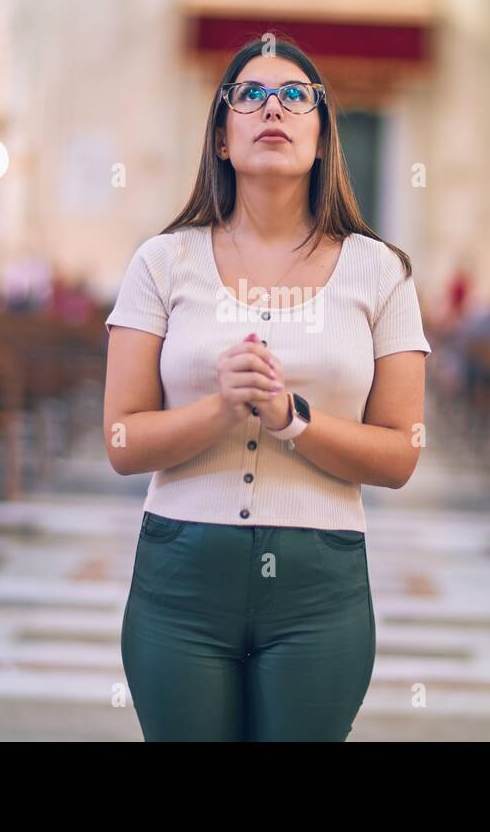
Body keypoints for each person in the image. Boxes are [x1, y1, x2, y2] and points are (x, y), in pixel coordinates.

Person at [103, 36, 431, 741]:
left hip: (319, 588)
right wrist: (220, 409)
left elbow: (402, 454)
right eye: (248, 95)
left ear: (321, 135)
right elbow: (123, 442)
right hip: (181, 579)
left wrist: (293, 418)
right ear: (222, 135)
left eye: (294, 97)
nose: (271, 109)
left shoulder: (381, 271)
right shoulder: (162, 262)